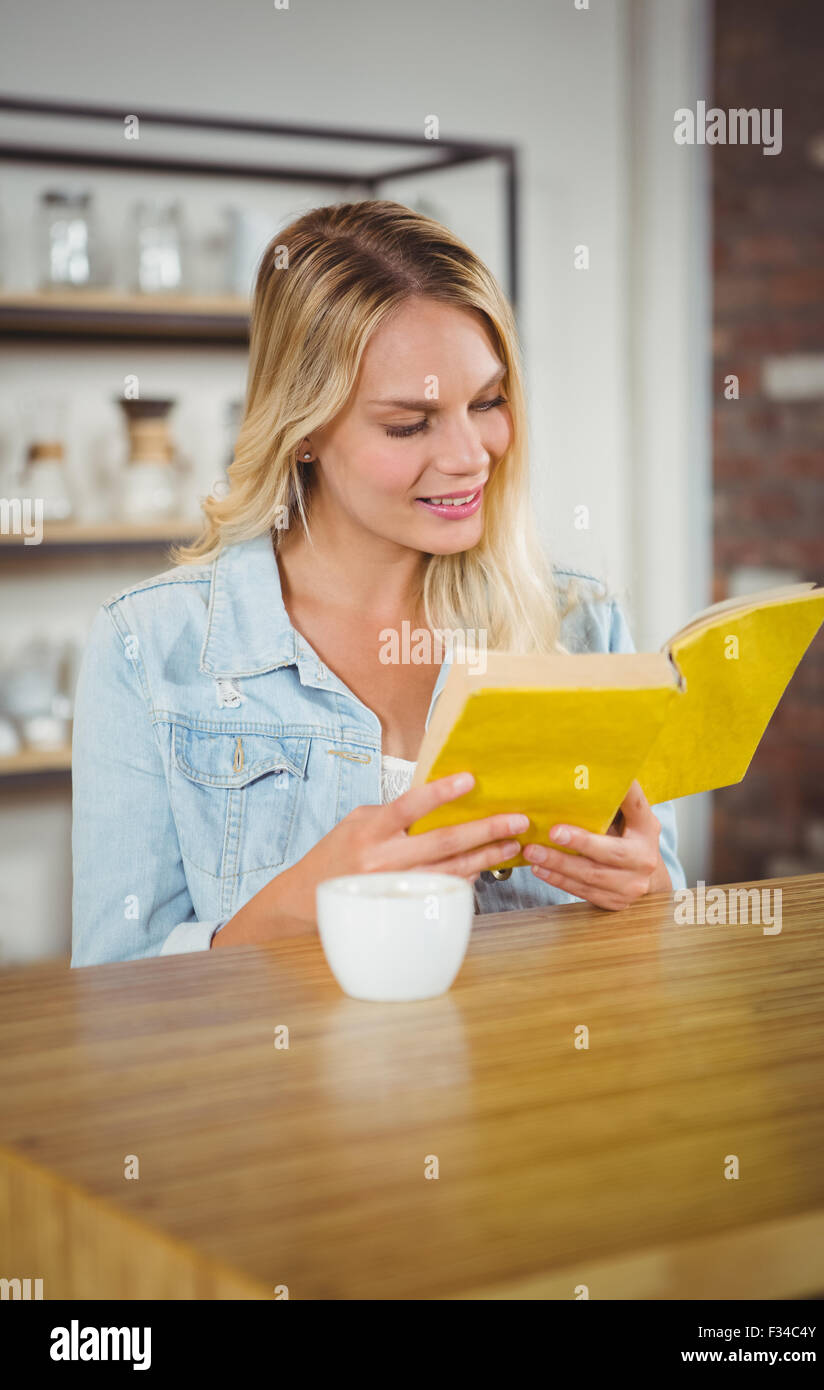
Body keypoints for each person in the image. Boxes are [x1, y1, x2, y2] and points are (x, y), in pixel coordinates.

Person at [71, 200, 685, 965]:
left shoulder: (580, 621)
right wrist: (293, 908)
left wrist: (651, 890)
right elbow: (107, 995)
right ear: (302, 430)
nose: (470, 455)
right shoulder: (149, 647)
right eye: (409, 423)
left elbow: (661, 943)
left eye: (488, 402)